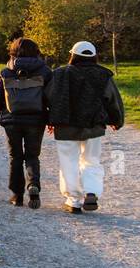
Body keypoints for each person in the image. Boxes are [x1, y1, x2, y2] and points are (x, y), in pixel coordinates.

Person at [46, 41, 124, 214]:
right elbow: (112, 100)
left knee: (68, 162)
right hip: (93, 127)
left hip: (65, 126)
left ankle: (73, 200)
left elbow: (49, 98)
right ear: (94, 56)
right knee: (91, 161)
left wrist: (50, 120)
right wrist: (117, 120)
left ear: (72, 55)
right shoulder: (103, 75)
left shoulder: (59, 74)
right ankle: (91, 192)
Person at [0, 37, 51, 209]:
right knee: (32, 156)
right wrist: (53, 120)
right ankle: (33, 185)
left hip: (12, 121)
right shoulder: (44, 71)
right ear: (36, 51)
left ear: (13, 52)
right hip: (36, 120)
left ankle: (16, 195)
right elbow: (51, 97)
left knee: (15, 157)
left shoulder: (6, 72)